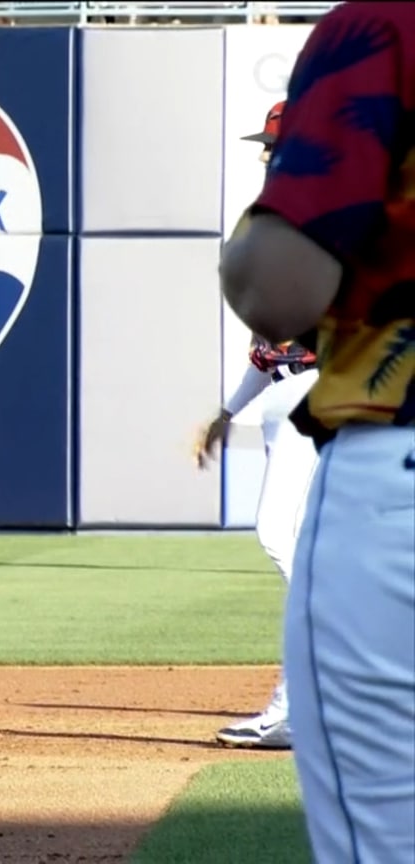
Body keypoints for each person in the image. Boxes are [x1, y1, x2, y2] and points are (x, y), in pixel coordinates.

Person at [219, 4, 415, 862]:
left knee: (379, 827)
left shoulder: (372, 33)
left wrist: (283, 202)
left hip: (372, 422)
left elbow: (276, 288)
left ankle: (296, 700)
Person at [194, 100, 319, 751]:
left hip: (316, 393)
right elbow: (267, 349)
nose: (266, 154)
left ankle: (301, 702)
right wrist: (226, 412)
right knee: (312, 546)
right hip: (300, 390)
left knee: (280, 535)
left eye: (274, 144)